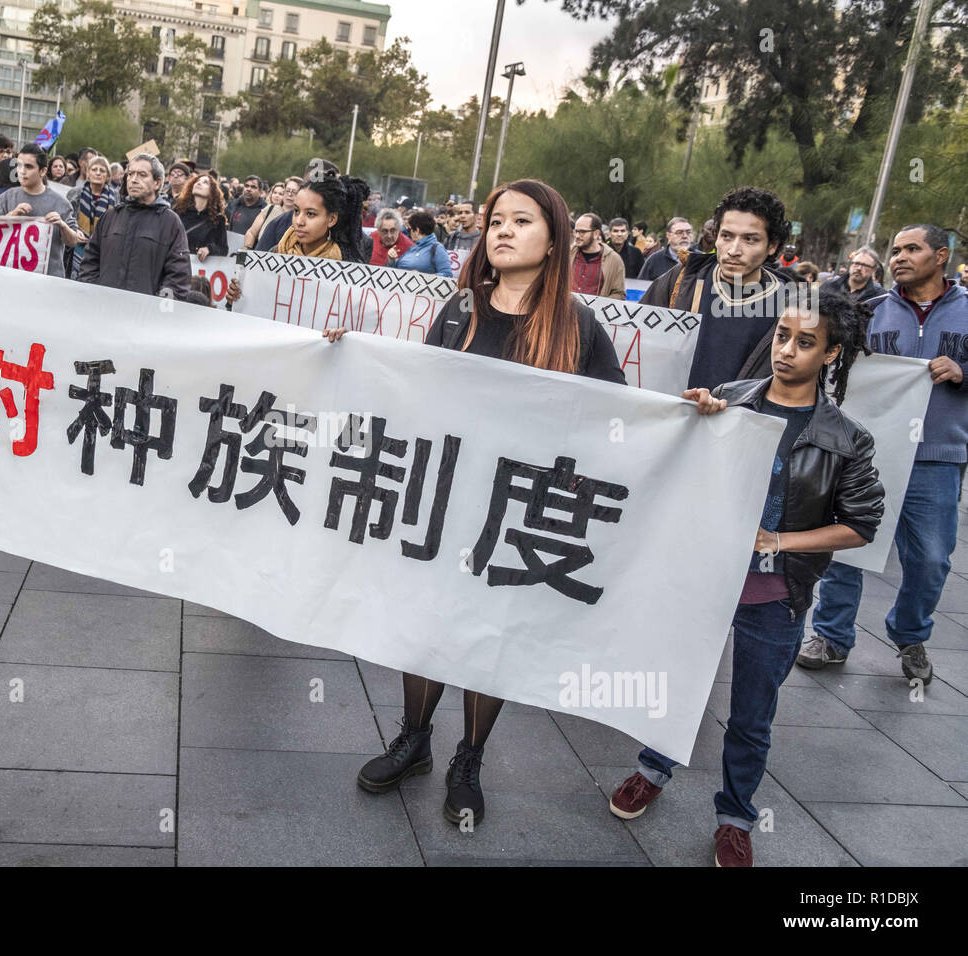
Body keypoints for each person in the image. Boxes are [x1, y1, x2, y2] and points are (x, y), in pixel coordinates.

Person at [323, 179, 625, 827]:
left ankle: (469, 758)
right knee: (428, 620)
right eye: (495, 222)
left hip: (520, 509)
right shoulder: (461, 310)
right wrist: (354, 355)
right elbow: (418, 386)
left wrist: (690, 418)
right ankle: (414, 740)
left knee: (492, 634)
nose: (503, 231)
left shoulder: (579, 324)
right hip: (451, 494)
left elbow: (617, 417)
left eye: (522, 220)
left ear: (554, 240)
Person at [608, 288, 883, 867]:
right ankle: (651, 771)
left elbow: (860, 526)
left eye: (806, 342)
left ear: (831, 355)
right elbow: (677, 471)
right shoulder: (730, 400)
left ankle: (735, 816)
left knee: (753, 715)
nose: (787, 350)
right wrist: (690, 418)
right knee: (675, 688)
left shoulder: (846, 440)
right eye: (782, 336)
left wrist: (778, 541)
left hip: (775, 597)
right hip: (704, 583)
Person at [801, 224, 968, 683]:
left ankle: (911, 635)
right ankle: (832, 636)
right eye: (895, 250)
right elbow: (832, 364)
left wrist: (962, 371)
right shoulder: (868, 312)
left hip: (937, 456)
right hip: (867, 454)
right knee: (847, 545)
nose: (899, 257)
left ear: (941, 256)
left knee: (931, 559)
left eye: (912, 249)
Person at [641, 186, 796, 389]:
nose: (733, 250)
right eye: (727, 236)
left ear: (772, 245)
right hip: (670, 412)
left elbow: (793, 383)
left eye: (750, 239)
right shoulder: (682, 279)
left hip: (738, 417)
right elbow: (637, 344)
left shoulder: (790, 303)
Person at [223, 174, 371, 307]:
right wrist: (237, 299)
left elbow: (356, 318)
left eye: (311, 214)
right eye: (296, 211)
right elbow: (256, 303)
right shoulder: (275, 253)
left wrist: (343, 332)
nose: (299, 221)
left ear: (331, 219)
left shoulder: (348, 269)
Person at [77, 152, 191, 299]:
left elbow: (178, 277)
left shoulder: (170, 222)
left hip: (144, 316)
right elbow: (89, 262)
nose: (133, 180)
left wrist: (158, 309)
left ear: (157, 182)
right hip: (104, 310)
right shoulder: (111, 216)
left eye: (142, 174)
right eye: (130, 174)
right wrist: (94, 294)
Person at [0, 144, 84, 279]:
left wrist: (62, 225)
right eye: (19, 165)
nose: (22, 171)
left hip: (49, 278)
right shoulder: (6, 197)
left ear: (42, 171)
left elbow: (73, 241)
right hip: (10, 275)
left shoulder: (61, 202)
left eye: (29, 167)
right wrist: (11, 216)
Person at [70, 154, 117, 279]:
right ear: (88, 173)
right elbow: (67, 216)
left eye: (102, 170)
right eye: (94, 169)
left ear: (107, 176)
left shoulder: (115, 196)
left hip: (103, 249)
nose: (98, 173)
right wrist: (75, 229)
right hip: (77, 246)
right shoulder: (75, 193)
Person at [175, 172, 229, 261]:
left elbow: (223, 249)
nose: (199, 183)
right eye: (197, 181)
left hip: (200, 269)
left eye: (205, 182)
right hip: (176, 263)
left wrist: (209, 249)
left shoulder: (218, 219)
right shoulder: (179, 212)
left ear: (212, 191)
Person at [571, 213, 626, 299]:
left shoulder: (614, 260)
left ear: (596, 233)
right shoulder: (568, 253)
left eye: (582, 232)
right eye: (576, 231)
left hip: (596, 311)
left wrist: (599, 305)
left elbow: (619, 293)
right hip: (566, 310)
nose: (577, 236)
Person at [245, 176, 300, 250]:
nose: (290, 194)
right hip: (260, 255)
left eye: (294, 192)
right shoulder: (270, 209)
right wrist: (247, 249)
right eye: (287, 190)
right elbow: (251, 232)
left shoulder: (300, 217)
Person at [392, 210, 452, 276]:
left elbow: (447, 274)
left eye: (411, 229)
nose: (410, 232)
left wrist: (422, 277)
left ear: (417, 230)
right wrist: (391, 260)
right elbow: (397, 268)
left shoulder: (437, 248)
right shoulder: (412, 247)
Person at [638, 216, 693, 282]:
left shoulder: (700, 259)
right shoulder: (654, 260)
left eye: (688, 232)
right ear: (668, 235)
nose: (685, 236)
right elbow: (641, 288)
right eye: (679, 232)